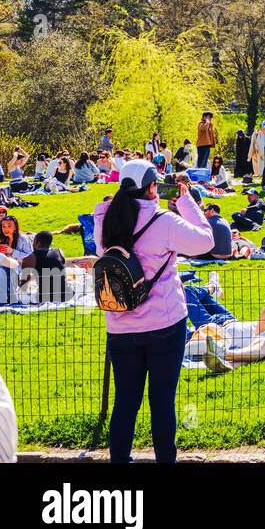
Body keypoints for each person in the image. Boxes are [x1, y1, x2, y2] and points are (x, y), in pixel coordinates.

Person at [95, 161, 215, 463]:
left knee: (126, 402)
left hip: (121, 326)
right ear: (151, 187)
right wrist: (185, 201)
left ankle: (120, 460)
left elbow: (101, 251)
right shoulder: (163, 221)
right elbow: (205, 241)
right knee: (162, 401)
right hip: (165, 323)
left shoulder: (106, 219)